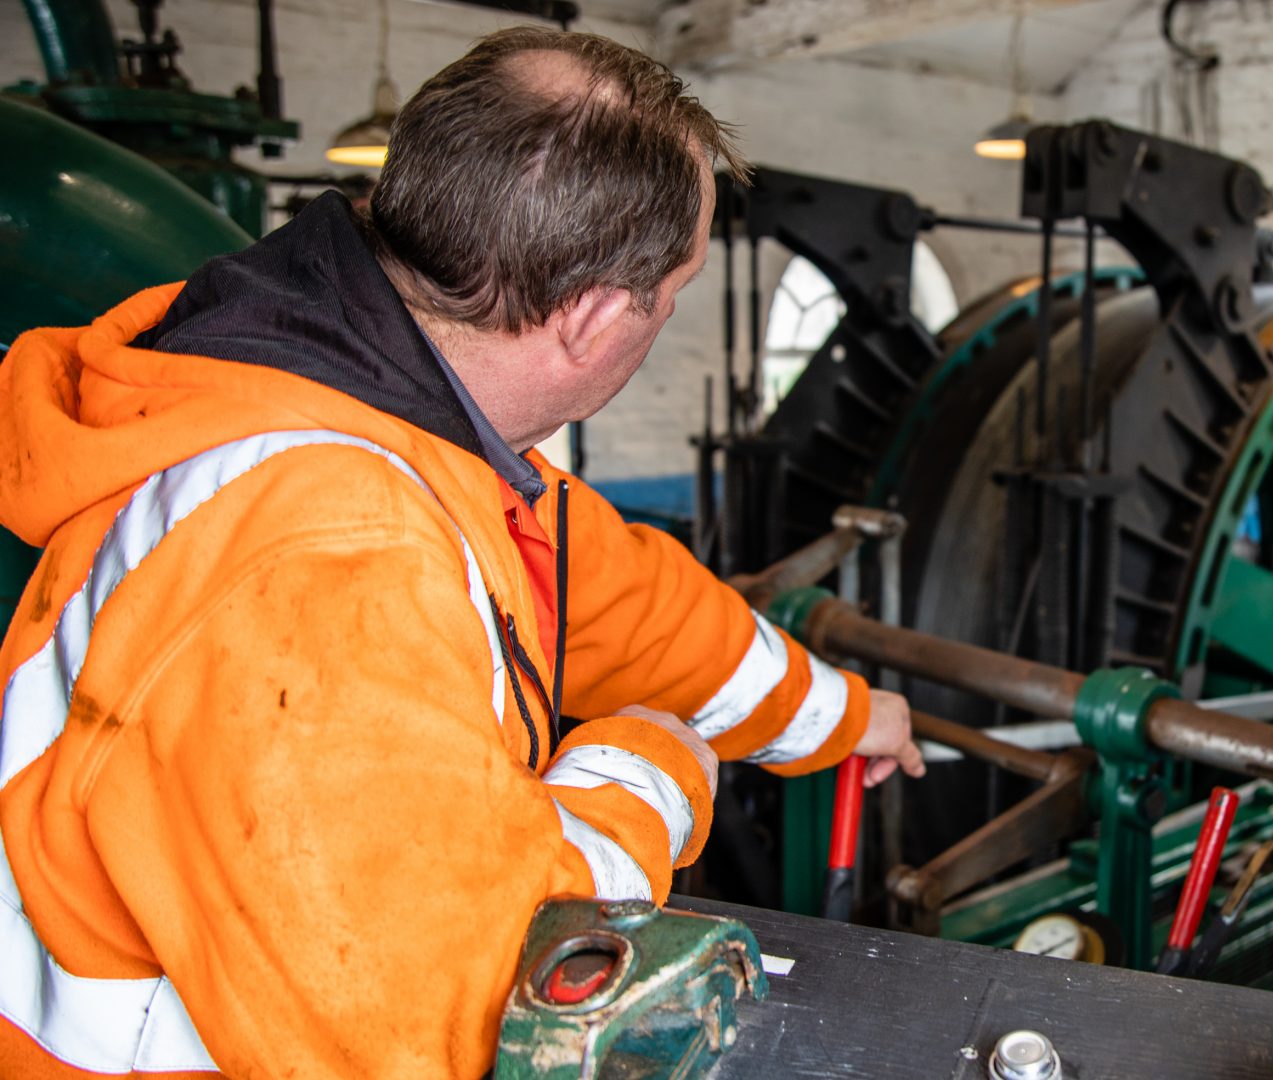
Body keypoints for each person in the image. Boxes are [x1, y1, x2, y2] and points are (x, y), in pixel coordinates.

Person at [0, 27, 922, 1078]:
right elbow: (461, 1003)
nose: (665, 315)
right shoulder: (327, 549)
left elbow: (620, 601)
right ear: (595, 317)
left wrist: (842, 716)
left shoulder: (380, 407)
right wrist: (656, 773)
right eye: (673, 292)